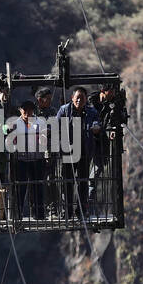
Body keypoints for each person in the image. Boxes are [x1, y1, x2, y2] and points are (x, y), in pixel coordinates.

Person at [55, 86, 101, 219]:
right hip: (68, 152)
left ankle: (81, 210)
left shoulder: (91, 112)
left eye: (82, 98)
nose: (79, 100)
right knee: (67, 181)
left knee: (83, 181)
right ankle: (67, 210)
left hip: (85, 151)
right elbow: (56, 125)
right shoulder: (64, 110)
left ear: (86, 99)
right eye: (77, 98)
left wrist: (96, 127)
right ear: (72, 98)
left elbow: (97, 122)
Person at [8, 100, 46, 220]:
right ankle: (17, 214)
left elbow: (44, 139)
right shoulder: (15, 123)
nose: (27, 112)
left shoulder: (40, 122)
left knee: (37, 187)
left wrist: (43, 137)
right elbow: (9, 142)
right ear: (20, 110)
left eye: (30, 109)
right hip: (21, 159)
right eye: (25, 109)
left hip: (37, 158)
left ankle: (38, 213)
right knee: (20, 187)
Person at [90, 83, 120, 214]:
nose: (113, 94)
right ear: (104, 91)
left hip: (101, 141)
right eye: (112, 91)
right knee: (83, 170)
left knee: (97, 170)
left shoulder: (111, 105)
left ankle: (88, 199)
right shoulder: (91, 102)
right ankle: (81, 201)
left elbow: (112, 121)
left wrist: (111, 130)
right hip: (88, 140)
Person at [35, 87, 57, 216]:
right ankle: (38, 209)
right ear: (40, 100)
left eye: (50, 99)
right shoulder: (34, 112)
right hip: (35, 151)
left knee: (50, 180)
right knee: (36, 180)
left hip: (49, 150)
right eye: (47, 99)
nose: (49, 101)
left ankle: (52, 208)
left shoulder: (52, 111)